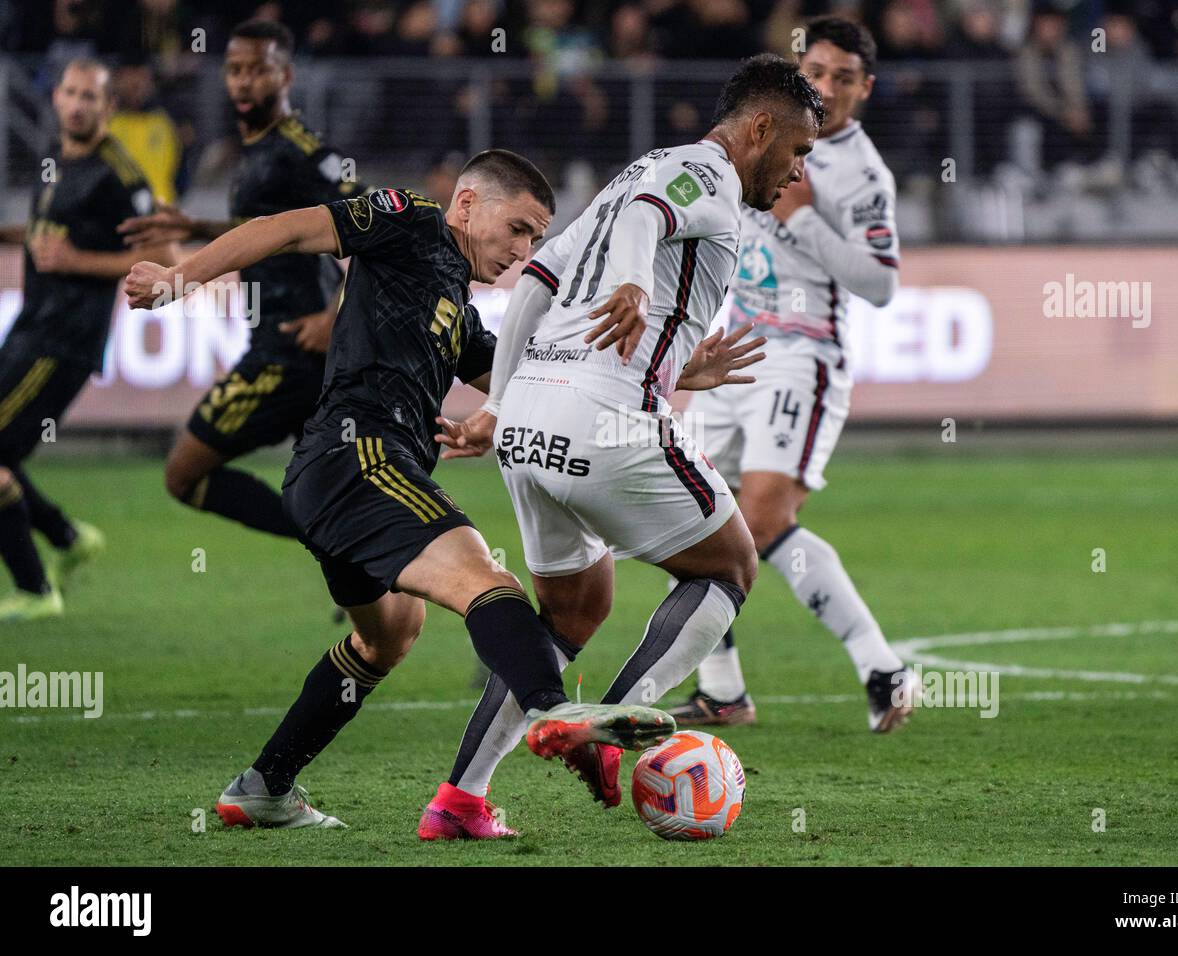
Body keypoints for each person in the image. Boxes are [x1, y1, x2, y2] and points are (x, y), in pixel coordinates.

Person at [124, 151, 674, 830]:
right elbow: (290, 229)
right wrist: (180, 279)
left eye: (538, 238)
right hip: (358, 457)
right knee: (482, 575)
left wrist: (666, 365)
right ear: (467, 205)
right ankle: (551, 709)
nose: (526, 250)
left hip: (339, 476)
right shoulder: (411, 220)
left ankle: (263, 787)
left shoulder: (452, 301)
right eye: (521, 228)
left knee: (388, 638)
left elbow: (526, 371)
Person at [418, 53, 822, 839]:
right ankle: (614, 723)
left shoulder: (632, 174)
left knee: (574, 608)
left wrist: (500, 405)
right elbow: (645, 216)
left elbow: (534, 281)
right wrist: (633, 284)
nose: (797, 171)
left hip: (533, 421)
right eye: (798, 151)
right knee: (730, 564)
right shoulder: (702, 174)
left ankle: (460, 800)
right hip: (605, 419)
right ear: (761, 128)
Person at [667, 17, 916, 733]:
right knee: (689, 513)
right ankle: (722, 690)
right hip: (737, 348)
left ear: (865, 88)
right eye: (817, 71)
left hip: (802, 356)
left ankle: (881, 667)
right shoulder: (763, 141)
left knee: (765, 519)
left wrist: (806, 223)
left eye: (844, 77)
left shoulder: (862, 173)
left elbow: (880, 283)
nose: (827, 88)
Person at [118, 19, 359, 542]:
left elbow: (379, 231)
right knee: (326, 492)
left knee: (182, 472)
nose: (244, 82)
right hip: (281, 342)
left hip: (292, 348)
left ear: (286, 75)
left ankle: (336, 546)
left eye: (258, 70)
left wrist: (333, 315)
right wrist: (197, 227)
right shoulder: (256, 146)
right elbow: (272, 228)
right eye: (234, 70)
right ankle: (352, 559)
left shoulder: (304, 150)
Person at [0, 58, 177, 622]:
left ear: (108, 106)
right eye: (71, 93)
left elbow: (165, 260)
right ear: (55, 97)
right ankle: (66, 536)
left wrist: (76, 259)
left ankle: (36, 588)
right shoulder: (55, 154)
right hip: (31, 324)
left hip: (67, 339)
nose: (79, 104)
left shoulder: (121, 177)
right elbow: (44, 236)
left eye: (90, 97)